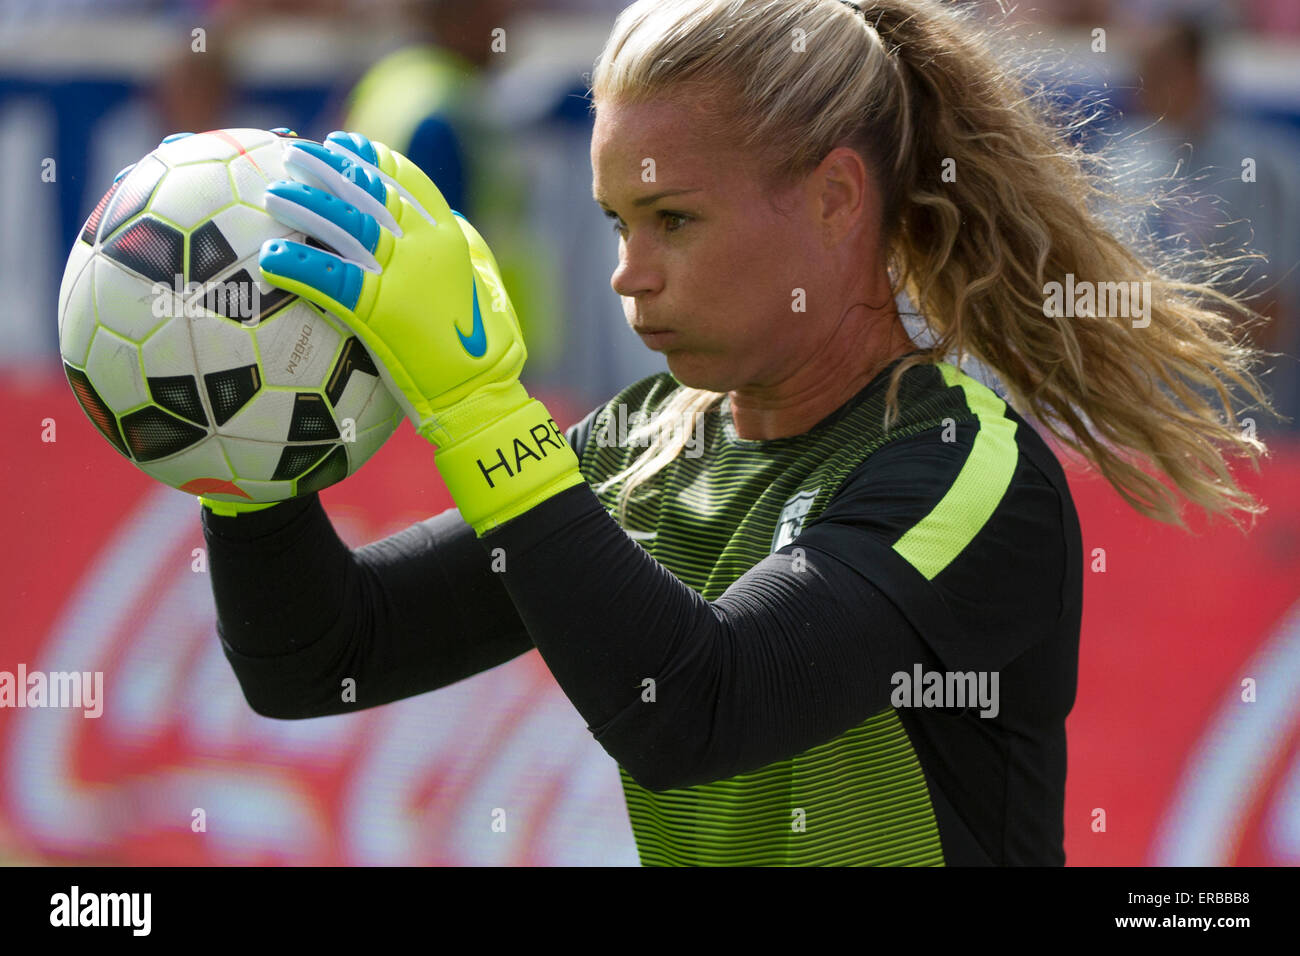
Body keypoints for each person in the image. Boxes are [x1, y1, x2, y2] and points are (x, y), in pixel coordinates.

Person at [197, 0, 1276, 865]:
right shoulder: (643, 445)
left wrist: (482, 409)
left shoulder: (964, 471)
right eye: (619, 221)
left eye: (673, 218)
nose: (629, 272)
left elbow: (699, 710)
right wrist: (233, 434)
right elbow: (319, 658)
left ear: (835, 198)